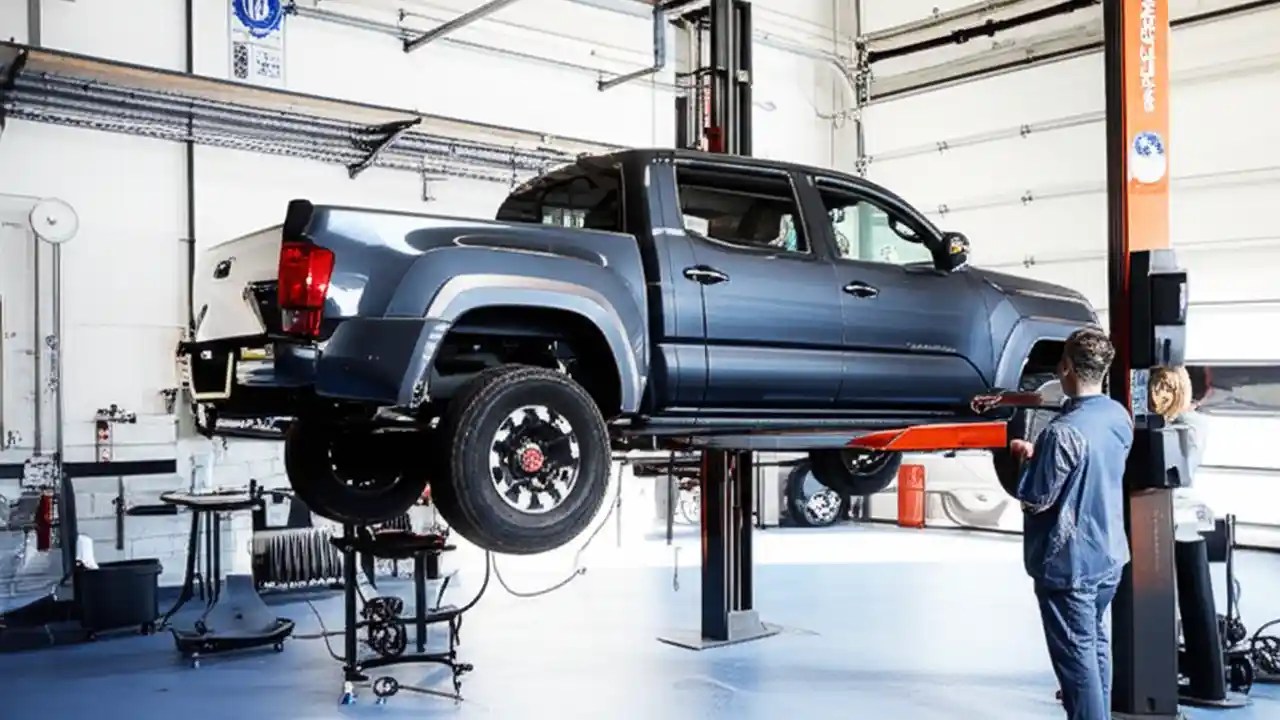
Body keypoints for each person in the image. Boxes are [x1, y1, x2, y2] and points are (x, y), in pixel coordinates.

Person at [1009, 327, 1134, 720]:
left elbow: (1035, 499)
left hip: (1069, 567)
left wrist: (1025, 460)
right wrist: (1045, 456)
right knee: (1094, 645)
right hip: (1108, 556)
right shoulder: (1118, 416)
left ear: (1065, 367)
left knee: (1078, 669)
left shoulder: (1062, 434)